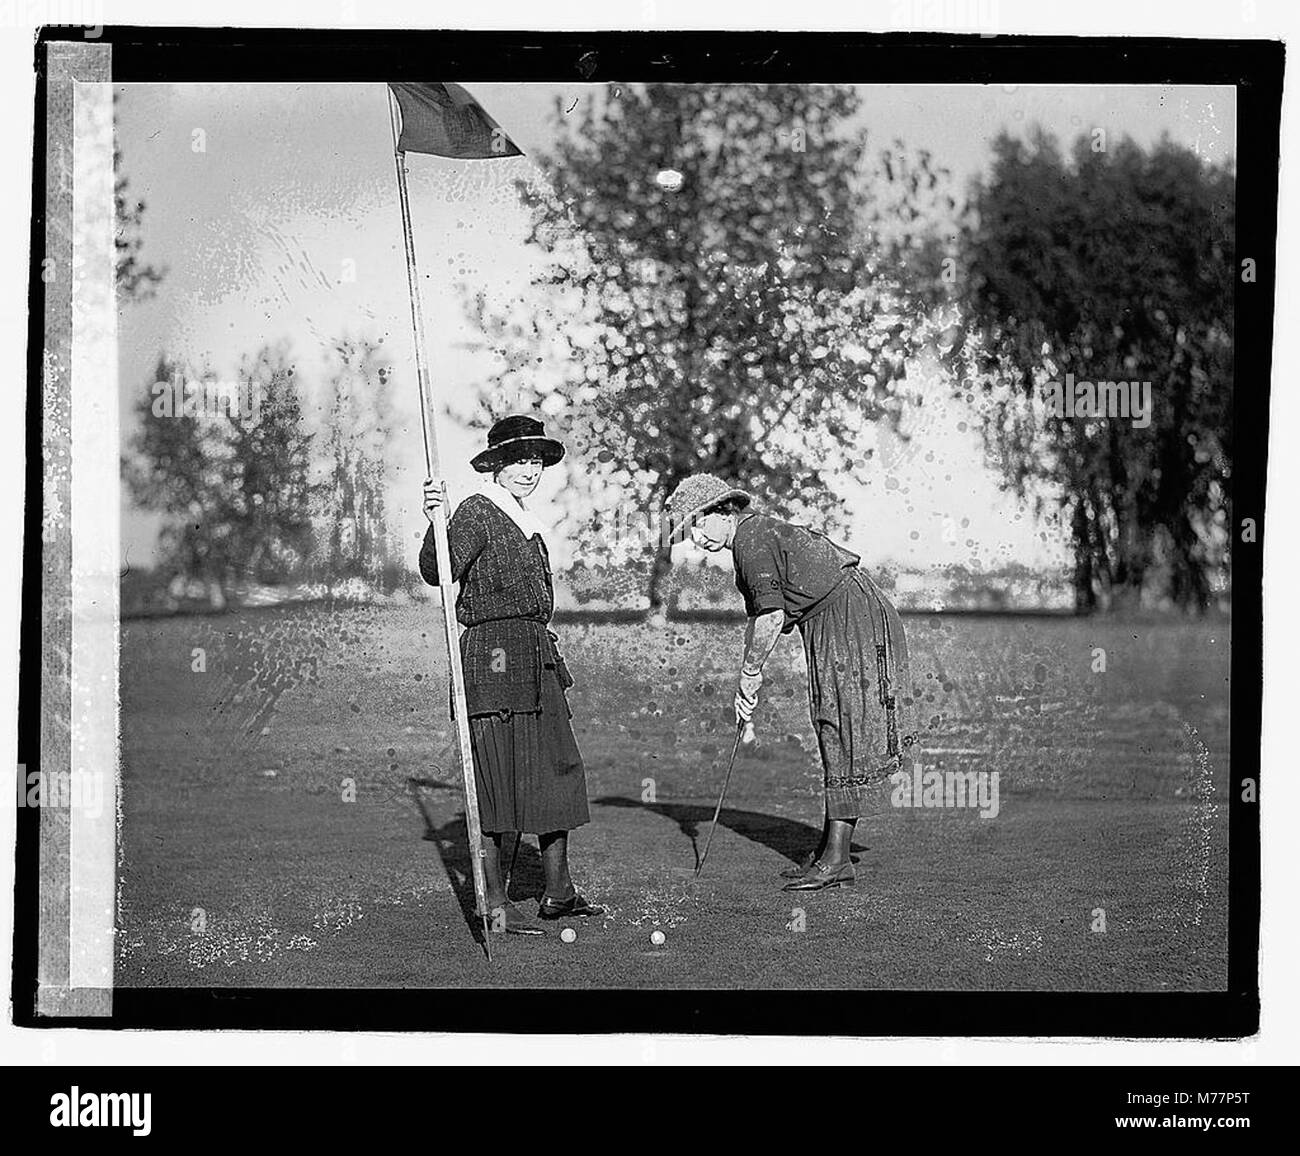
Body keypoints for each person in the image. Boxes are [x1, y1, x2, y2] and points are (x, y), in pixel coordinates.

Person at [665, 473, 918, 892]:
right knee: (832, 724)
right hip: (839, 616)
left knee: (841, 725)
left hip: (852, 618)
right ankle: (830, 851)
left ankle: (837, 858)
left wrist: (751, 674)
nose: (694, 538)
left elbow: (771, 617)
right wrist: (747, 684)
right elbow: (759, 618)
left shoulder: (750, 540)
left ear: (725, 511)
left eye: (697, 524)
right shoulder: (749, 539)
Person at [420, 415, 602, 935]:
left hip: (537, 655)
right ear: (496, 465)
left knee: (556, 766)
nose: (528, 471)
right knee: (500, 773)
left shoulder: (527, 519)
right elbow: (439, 570)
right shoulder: (477, 512)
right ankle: (494, 903)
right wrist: (436, 517)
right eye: (518, 460)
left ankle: (559, 892)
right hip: (494, 659)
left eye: (535, 462)